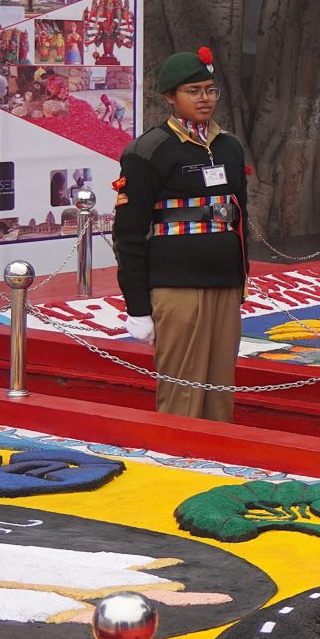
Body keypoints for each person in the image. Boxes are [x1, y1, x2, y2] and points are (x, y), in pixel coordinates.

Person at [111, 46, 248, 422]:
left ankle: (217, 466)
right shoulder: (149, 151)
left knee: (220, 394)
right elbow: (128, 233)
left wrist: (242, 279)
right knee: (181, 397)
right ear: (170, 97)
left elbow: (240, 220)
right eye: (194, 91)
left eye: (210, 89)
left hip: (225, 285)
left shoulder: (229, 147)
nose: (205, 99)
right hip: (177, 288)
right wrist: (137, 307)